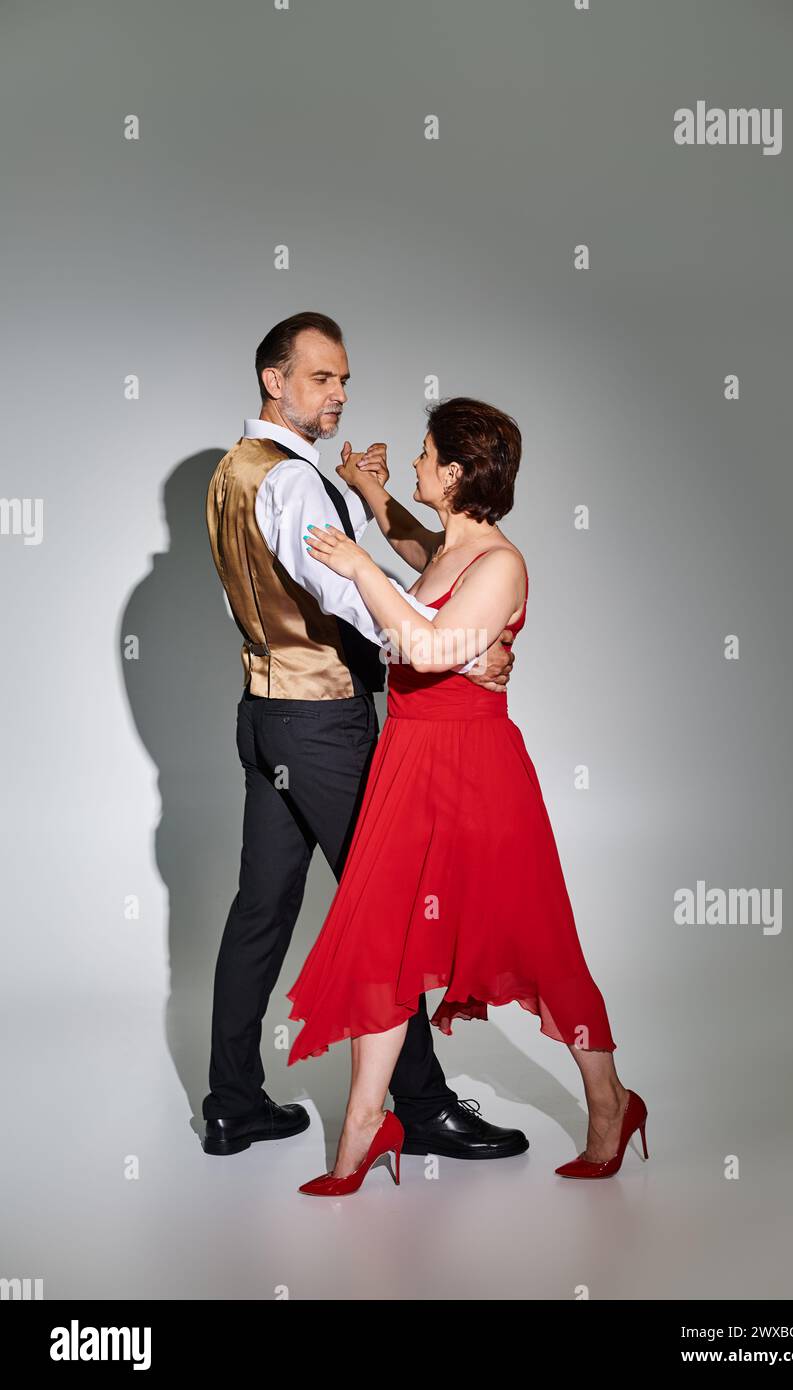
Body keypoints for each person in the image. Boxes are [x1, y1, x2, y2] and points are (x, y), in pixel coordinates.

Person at [278, 395, 648, 1194]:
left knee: (542, 947)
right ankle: (363, 1130)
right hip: (408, 764)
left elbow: (421, 641)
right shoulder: (446, 547)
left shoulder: (502, 563)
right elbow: (423, 565)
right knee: (384, 941)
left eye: (422, 455)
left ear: (451, 472)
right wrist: (374, 500)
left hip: (477, 773)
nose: (410, 462)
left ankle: (611, 1101)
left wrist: (360, 564)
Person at [201, 312, 528, 1162]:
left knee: (260, 910)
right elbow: (348, 595)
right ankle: (421, 1108)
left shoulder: (231, 472)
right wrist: (456, 648)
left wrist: (375, 511)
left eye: (344, 378)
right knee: (391, 912)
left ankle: (232, 1101)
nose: (340, 393)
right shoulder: (293, 483)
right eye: (321, 378)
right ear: (276, 381)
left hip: (265, 717)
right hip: (322, 725)